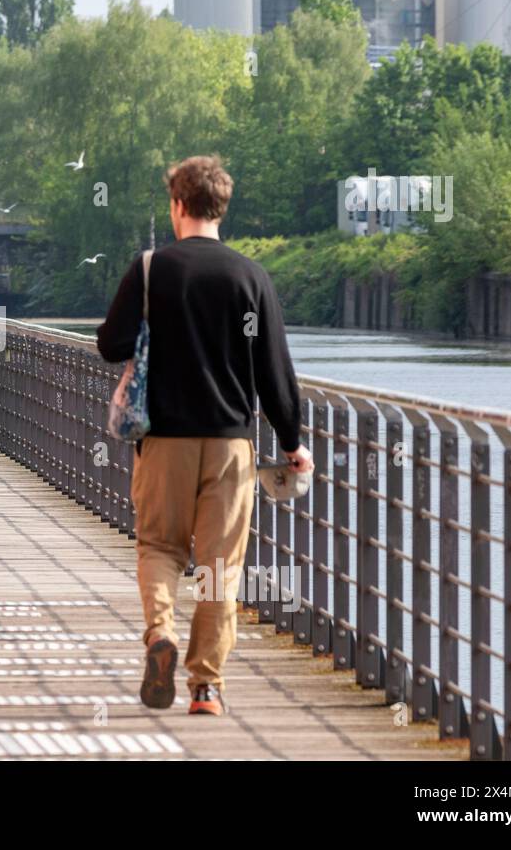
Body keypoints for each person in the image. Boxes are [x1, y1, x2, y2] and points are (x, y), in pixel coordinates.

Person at [96, 155, 313, 716]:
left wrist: (152, 329)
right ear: (221, 207)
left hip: (163, 439)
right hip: (230, 446)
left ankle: (160, 634)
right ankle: (206, 686)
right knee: (219, 567)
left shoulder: (150, 270)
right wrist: (292, 443)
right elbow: (275, 372)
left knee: (160, 547)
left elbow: (110, 344)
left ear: (177, 205)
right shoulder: (251, 277)